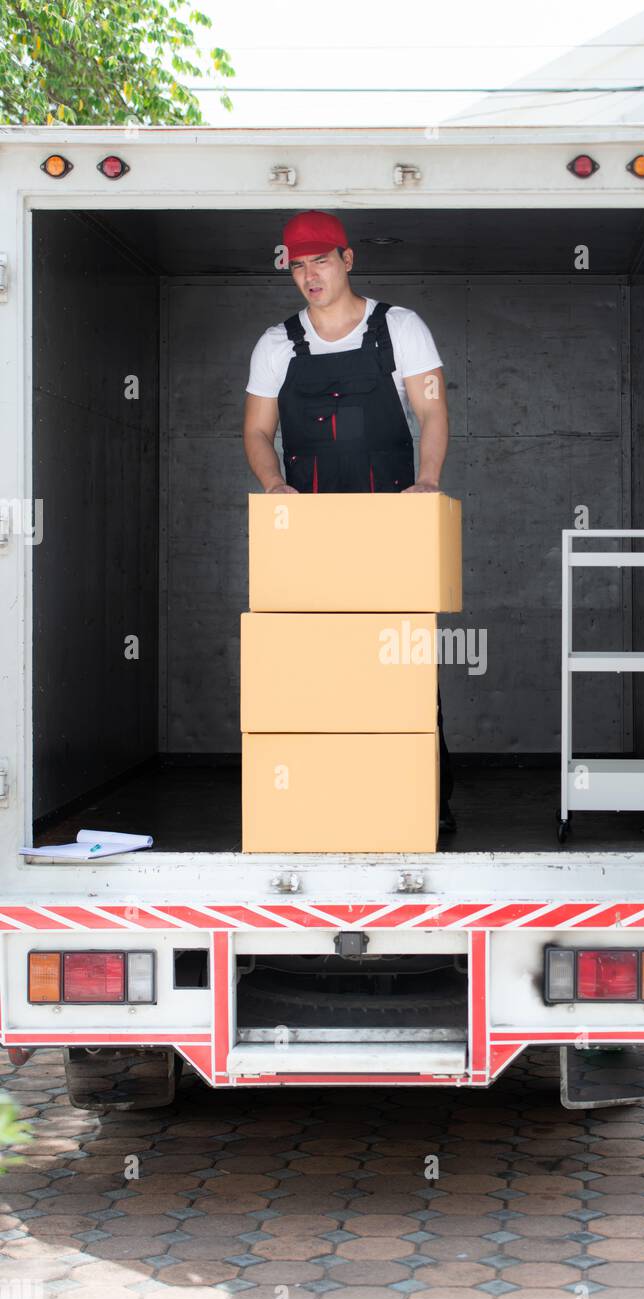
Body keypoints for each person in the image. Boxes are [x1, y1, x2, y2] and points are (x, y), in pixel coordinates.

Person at [243, 209, 455, 832]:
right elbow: (257, 431)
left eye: (321, 261)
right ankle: (321, 803)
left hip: (389, 530)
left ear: (347, 259)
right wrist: (274, 484)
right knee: (314, 664)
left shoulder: (401, 328)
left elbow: (433, 411)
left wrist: (428, 482)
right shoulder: (276, 344)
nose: (310, 275)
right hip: (307, 536)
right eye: (298, 265)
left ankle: (420, 802)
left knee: (402, 668)